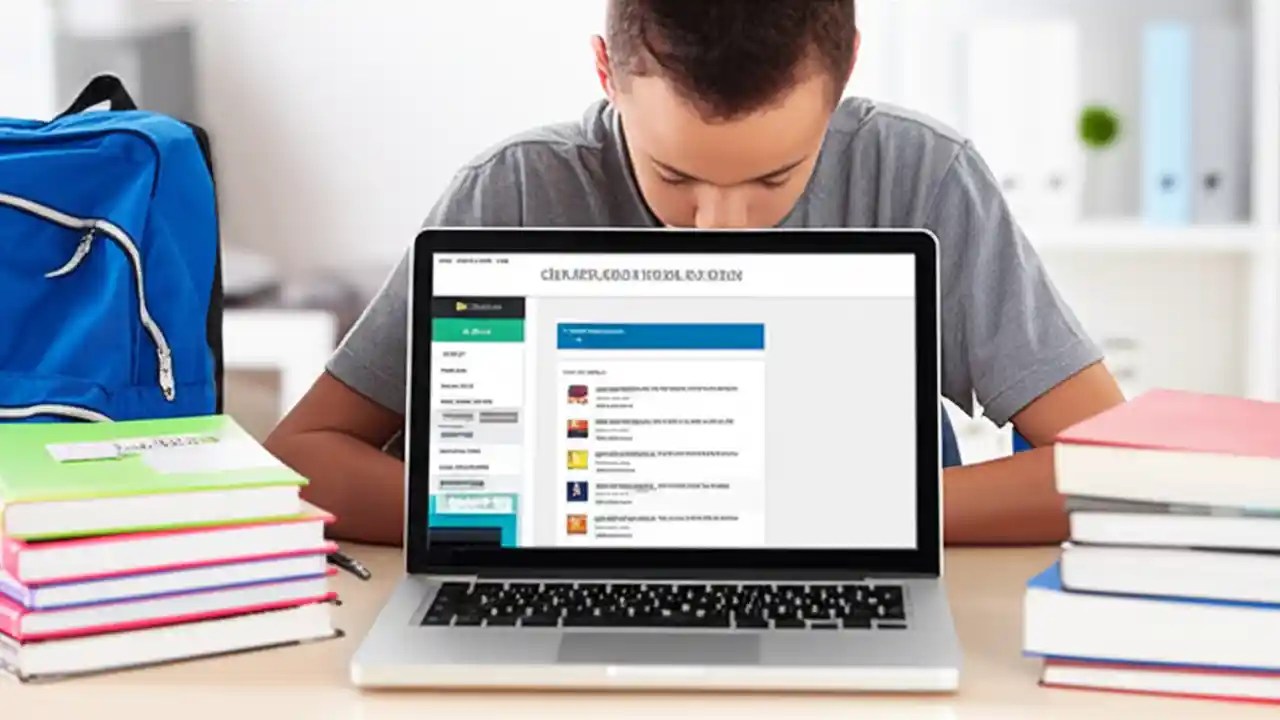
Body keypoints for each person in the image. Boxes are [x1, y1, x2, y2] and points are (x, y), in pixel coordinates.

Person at [265, 0, 1126, 546]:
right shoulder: (518, 191)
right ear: (607, 72)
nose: (722, 228)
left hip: (848, 589)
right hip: (559, 583)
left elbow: (1117, 469)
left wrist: (843, 519)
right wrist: (545, 522)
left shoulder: (921, 178)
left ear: (846, 72)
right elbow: (302, 457)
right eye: (675, 178)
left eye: (776, 178)